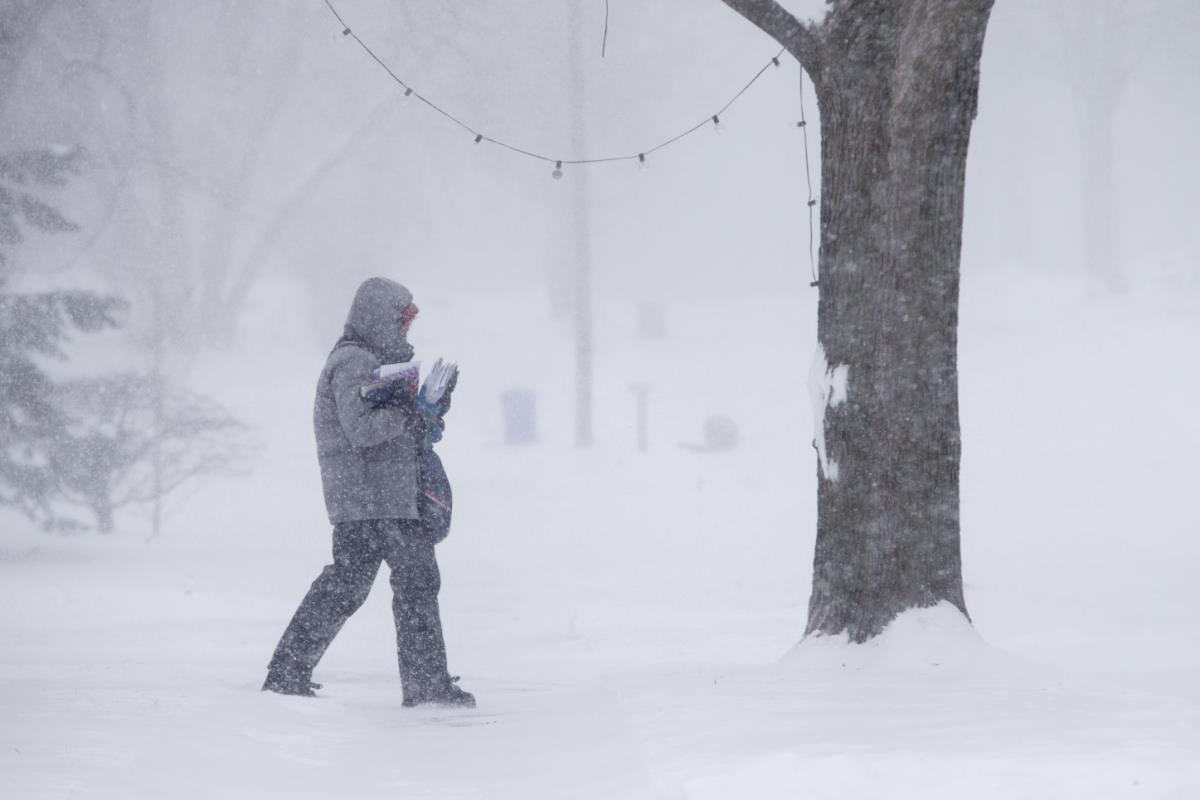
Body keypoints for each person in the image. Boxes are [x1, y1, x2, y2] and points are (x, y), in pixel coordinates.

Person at [262, 277, 474, 707]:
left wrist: (428, 413)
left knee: (356, 584)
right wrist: (411, 414)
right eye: (401, 321)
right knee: (401, 584)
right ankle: (424, 685)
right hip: (372, 498)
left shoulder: (371, 360)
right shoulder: (354, 362)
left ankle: (288, 671)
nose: (405, 330)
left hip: (380, 496)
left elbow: (390, 431)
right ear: (380, 319)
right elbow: (361, 430)